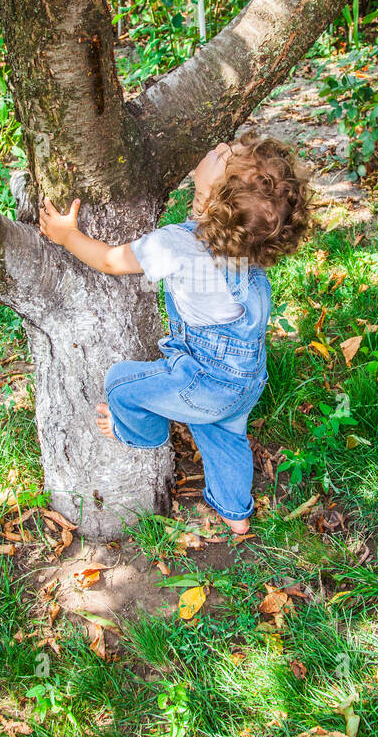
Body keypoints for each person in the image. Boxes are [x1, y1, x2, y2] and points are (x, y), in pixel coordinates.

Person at [39, 135, 311, 534]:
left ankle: (141, 433)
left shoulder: (177, 246)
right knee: (223, 438)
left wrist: (66, 236)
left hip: (205, 380)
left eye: (224, 157)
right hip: (246, 379)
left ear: (212, 192)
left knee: (119, 384)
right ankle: (236, 514)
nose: (218, 147)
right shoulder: (247, 245)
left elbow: (111, 262)